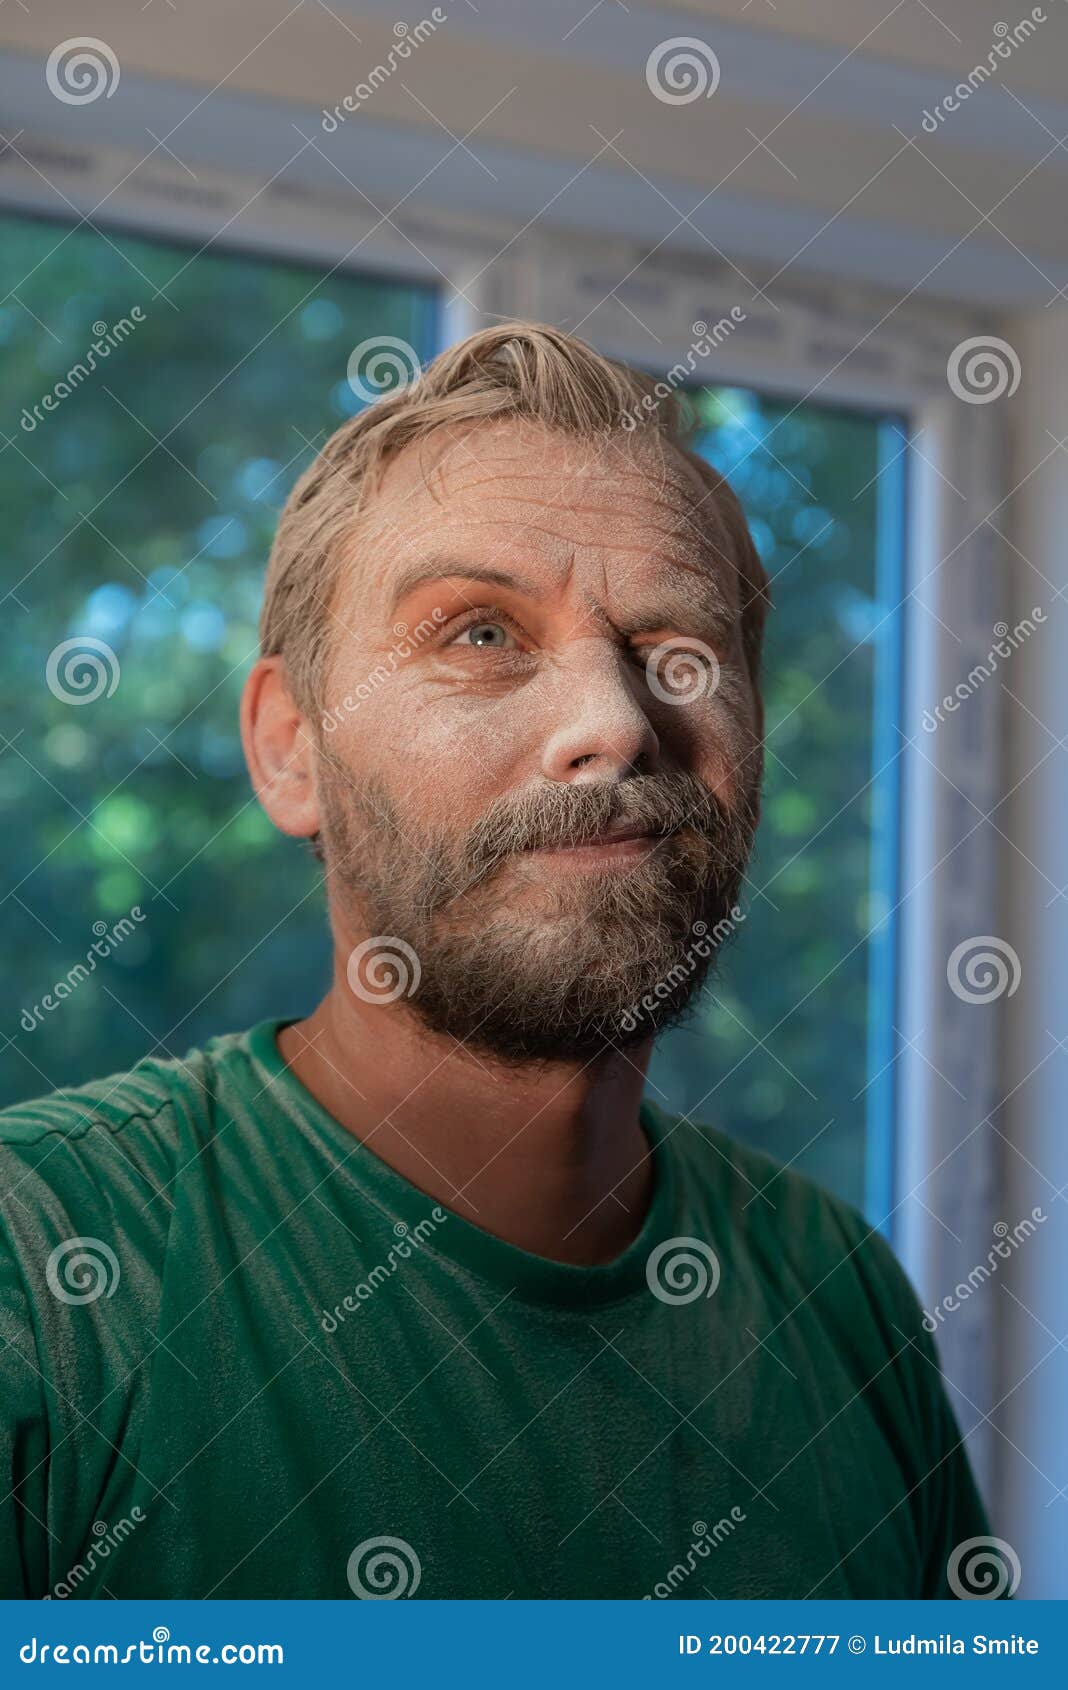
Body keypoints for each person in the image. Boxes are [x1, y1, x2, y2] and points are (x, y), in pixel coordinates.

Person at [0, 323, 994, 1600]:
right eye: (478, 634)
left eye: (679, 653)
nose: (615, 724)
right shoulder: (44, 1269)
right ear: (292, 748)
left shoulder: (836, 1293)